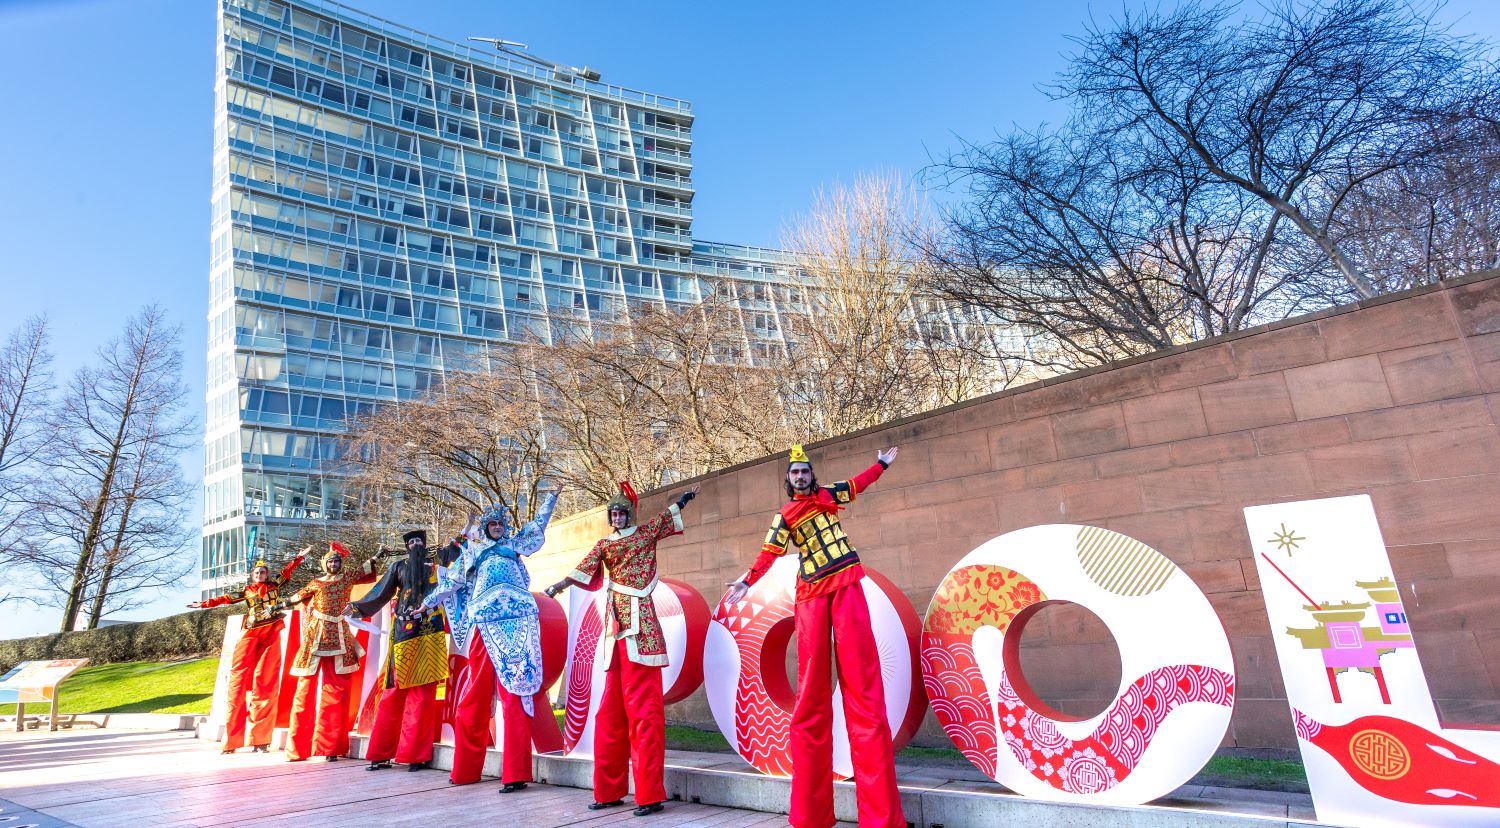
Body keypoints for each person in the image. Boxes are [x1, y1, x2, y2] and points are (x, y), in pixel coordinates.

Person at [723, 444, 904, 828]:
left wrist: (881, 465)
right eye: (795, 474)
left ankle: (882, 817)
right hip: (810, 593)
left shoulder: (829, 495)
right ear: (788, 481)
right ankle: (811, 815)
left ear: (811, 475)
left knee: (862, 686)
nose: (801, 477)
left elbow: (859, 483)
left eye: (805, 472)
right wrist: (746, 581)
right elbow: (767, 553)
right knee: (811, 692)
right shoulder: (785, 515)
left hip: (846, 581)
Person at [545, 481, 699, 817]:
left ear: (628, 514)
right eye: (612, 513)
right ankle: (609, 790)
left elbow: (663, 520)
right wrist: (559, 584)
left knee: (644, 715)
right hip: (614, 633)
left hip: (640, 628)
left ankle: (649, 794)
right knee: (609, 717)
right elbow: (583, 568)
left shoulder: (643, 534)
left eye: (620, 512)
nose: (616, 517)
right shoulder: (604, 544)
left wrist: (684, 499)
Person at [418, 490, 559, 791]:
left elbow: (537, 525)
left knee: (517, 694)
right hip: (484, 619)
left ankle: (516, 774)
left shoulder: (514, 543)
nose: (496, 526)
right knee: (476, 694)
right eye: (491, 523)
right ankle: (466, 769)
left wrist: (550, 499)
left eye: (499, 523)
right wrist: (427, 602)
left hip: (519, 618)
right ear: (484, 528)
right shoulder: (473, 550)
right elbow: (450, 582)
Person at [346, 529, 462, 772]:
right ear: (407, 547)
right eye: (411, 541)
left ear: (424, 544)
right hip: (404, 629)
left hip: (430, 629)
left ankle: (415, 755)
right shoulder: (398, 566)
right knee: (395, 688)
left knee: (424, 690)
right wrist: (357, 608)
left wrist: (466, 532)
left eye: (419, 540)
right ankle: (381, 752)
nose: (416, 544)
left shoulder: (435, 564)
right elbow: (381, 591)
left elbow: (455, 550)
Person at [188, 548, 308, 754]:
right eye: (257, 573)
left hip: (271, 631)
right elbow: (225, 598)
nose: (260, 575)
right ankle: (232, 741)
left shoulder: (275, 585)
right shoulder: (247, 590)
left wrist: (299, 557)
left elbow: (288, 571)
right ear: (252, 575)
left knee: (266, 680)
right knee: (238, 680)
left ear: (267, 574)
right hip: (251, 631)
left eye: (263, 572)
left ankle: (260, 740)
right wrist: (204, 604)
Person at [281, 542, 378, 762]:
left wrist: (378, 555)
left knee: (336, 691)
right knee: (304, 691)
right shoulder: (315, 583)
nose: (334, 564)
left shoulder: (346, 578)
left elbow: (366, 568)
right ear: (324, 564)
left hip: (340, 635)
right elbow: (296, 597)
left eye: (337, 561)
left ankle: (331, 747)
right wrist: (276, 606)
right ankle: (297, 749)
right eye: (330, 561)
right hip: (315, 637)